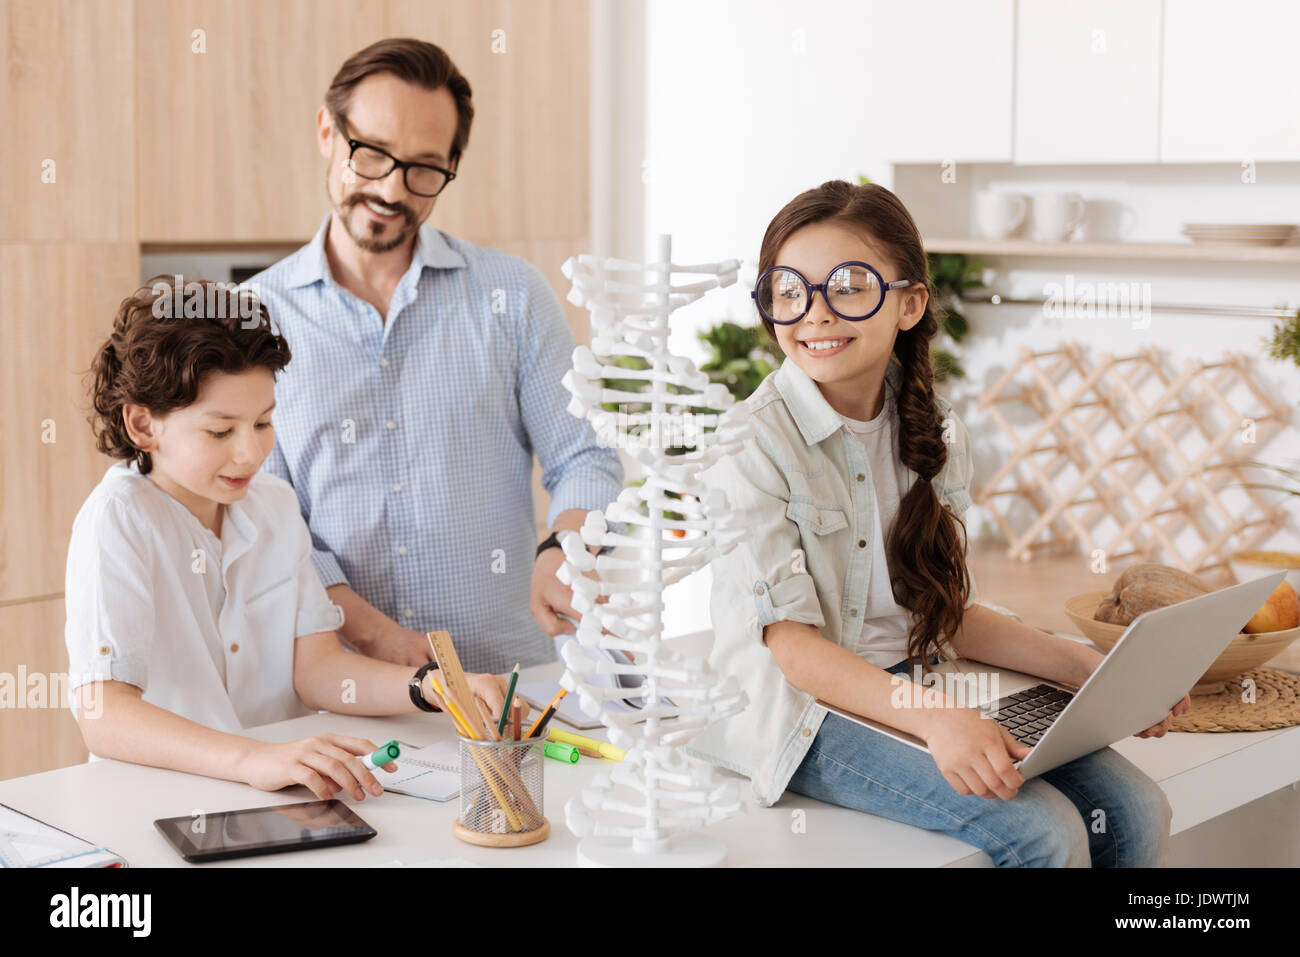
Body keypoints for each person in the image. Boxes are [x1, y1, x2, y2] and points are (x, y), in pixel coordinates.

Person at [689, 180, 1185, 866]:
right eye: (789, 290)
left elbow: (943, 611)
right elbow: (795, 651)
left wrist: (1086, 669)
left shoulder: (933, 425)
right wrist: (937, 717)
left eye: (850, 285)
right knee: (1044, 833)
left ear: (911, 302)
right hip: (803, 717)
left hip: (920, 679)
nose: (815, 314)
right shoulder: (748, 442)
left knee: (1134, 810)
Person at [247, 38, 622, 674]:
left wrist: (564, 546)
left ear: (453, 163)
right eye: (370, 155)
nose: (392, 189)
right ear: (326, 132)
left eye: (423, 168)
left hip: (509, 684)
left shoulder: (512, 294)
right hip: (337, 695)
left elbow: (583, 453)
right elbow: (264, 517)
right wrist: (372, 636)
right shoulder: (251, 318)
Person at [66, 277, 514, 802]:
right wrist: (252, 758)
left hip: (276, 789)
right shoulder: (118, 519)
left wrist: (430, 687)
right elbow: (105, 714)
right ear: (143, 425)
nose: (250, 453)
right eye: (220, 431)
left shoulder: (273, 503)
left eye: (263, 422)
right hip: (164, 799)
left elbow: (317, 668)